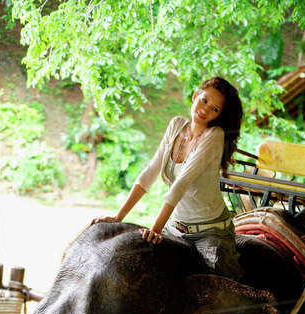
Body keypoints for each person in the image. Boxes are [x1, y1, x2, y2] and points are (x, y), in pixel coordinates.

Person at [91, 76, 243, 280]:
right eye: (204, 100)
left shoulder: (213, 135)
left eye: (215, 109)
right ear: (195, 95)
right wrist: (119, 217)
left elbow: (181, 184)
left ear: (219, 115)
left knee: (218, 295)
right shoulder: (176, 125)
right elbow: (150, 172)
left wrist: (155, 229)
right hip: (176, 227)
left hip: (210, 233)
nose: (205, 109)